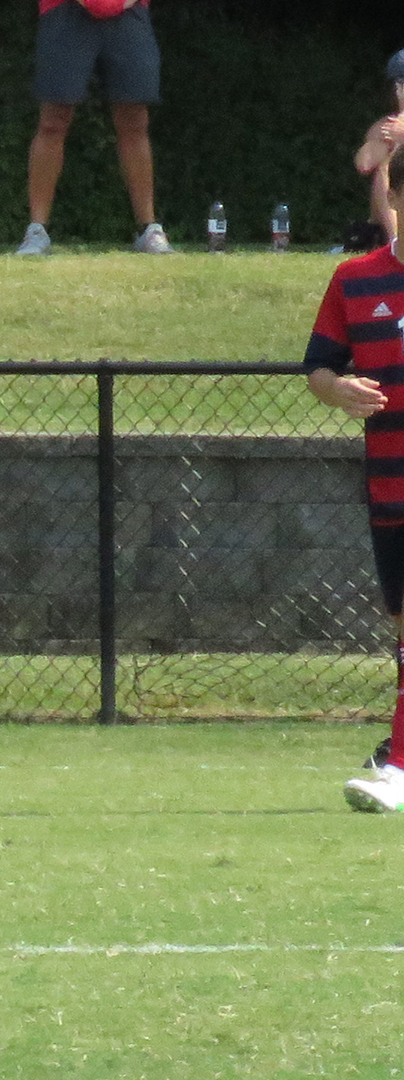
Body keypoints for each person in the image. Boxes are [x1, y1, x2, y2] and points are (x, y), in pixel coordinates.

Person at [304, 168, 404, 811]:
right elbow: (318, 365)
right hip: (389, 483)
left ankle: (396, 767)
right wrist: (336, 390)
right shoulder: (355, 278)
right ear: (394, 198)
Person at [15, 0, 172, 256]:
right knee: (53, 121)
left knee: (134, 121)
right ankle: (36, 231)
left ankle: (149, 229)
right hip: (64, 11)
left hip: (129, 12)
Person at [353, 49, 404, 247]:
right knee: (386, 167)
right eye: (399, 84)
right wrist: (391, 139)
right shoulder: (386, 126)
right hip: (395, 207)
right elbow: (364, 164)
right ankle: (397, 243)